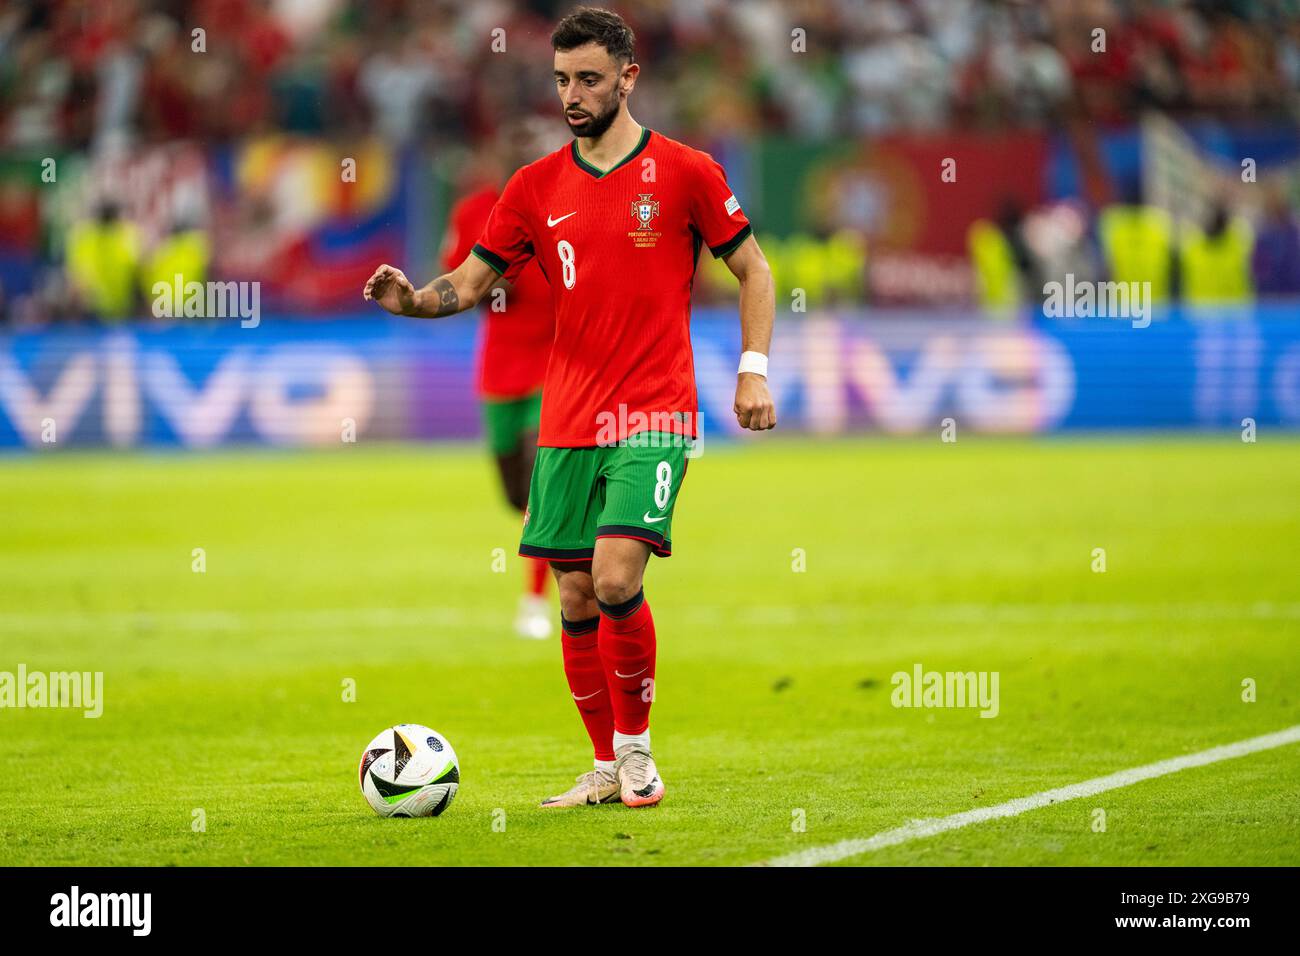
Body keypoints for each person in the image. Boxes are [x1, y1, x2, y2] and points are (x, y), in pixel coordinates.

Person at [363, 7, 776, 810]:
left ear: (629, 76)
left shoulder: (687, 171)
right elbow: (472, 284)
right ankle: (601, 765)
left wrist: (753, 371)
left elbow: (755, 270)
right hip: (568, 418)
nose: (573, 95)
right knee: (577, 594)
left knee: (619, 578)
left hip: (654, 410)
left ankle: (637, 753)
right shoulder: (532, 187)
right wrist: (413, 300)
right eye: (561, 81)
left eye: (588, 78)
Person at [440, 129, 556, 639]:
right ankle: (569, 542)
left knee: (540, 480)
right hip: (500, 367)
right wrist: (492, 283)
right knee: (515, 496)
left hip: (556, 363)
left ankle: (535, 601)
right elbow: (457, 279)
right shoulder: (474, 211)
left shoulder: (563, 204)